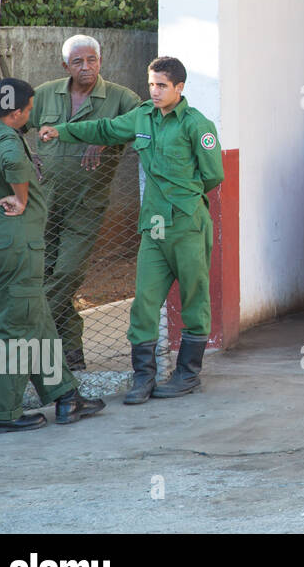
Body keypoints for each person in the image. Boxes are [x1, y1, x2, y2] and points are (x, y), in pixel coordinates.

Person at [41, 56, 224, 403]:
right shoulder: (141, 117)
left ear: (179, 88)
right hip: (153, 228)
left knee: (194, 299)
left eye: (161, 86)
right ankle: (143, 378)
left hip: (187, 225)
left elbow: (213, 175)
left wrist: (181, 198)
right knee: (144, 302)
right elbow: (106, 129)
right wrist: (62, 130)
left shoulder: (197, 125)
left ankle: (187, 374)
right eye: (151, 84)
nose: (154, 91)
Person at [0, 79, 104, 433]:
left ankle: (67, 396)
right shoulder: (6, 137)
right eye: (29, 109)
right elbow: (13, 164)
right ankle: (0, 414)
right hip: (16, 247)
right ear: (17, 112)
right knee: (15, 328)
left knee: (35, 321)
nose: (30, 115)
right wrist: (21, 199)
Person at [30, 35, 143, 371]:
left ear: (101, 60)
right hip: (45, 202)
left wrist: (106, 137)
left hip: (86, 204)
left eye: (92, 60)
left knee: (66, 273)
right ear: (66, 66)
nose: (86, 67)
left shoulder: (121, 98)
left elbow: (144, 121)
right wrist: (27, 155)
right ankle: (72, 354)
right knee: (45, 272)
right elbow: (14, 121)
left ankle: (34, 329)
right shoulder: (47, 93)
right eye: (78, 62)